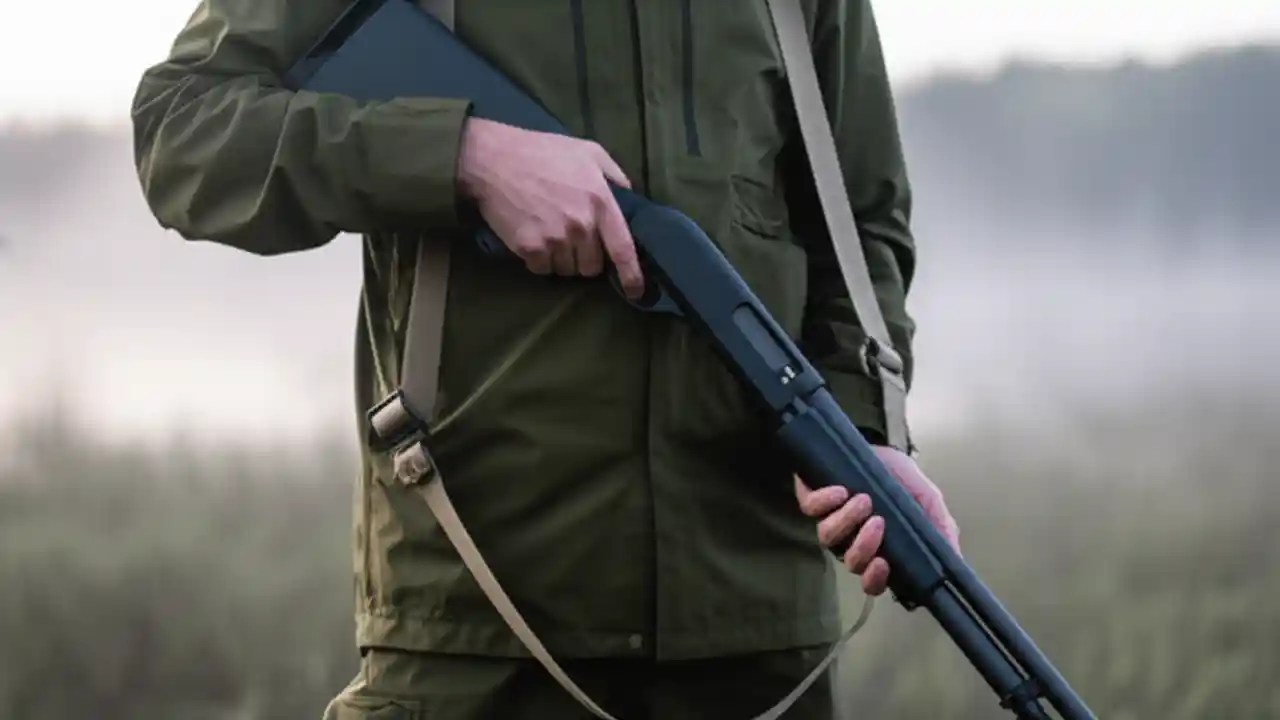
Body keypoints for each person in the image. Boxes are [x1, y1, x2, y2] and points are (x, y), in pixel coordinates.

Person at [133, 1, 961, 717]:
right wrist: (461, 156)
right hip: (475, 626)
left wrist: (862, 435)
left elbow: (858, 220)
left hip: (758, 635)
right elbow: (184, 130)